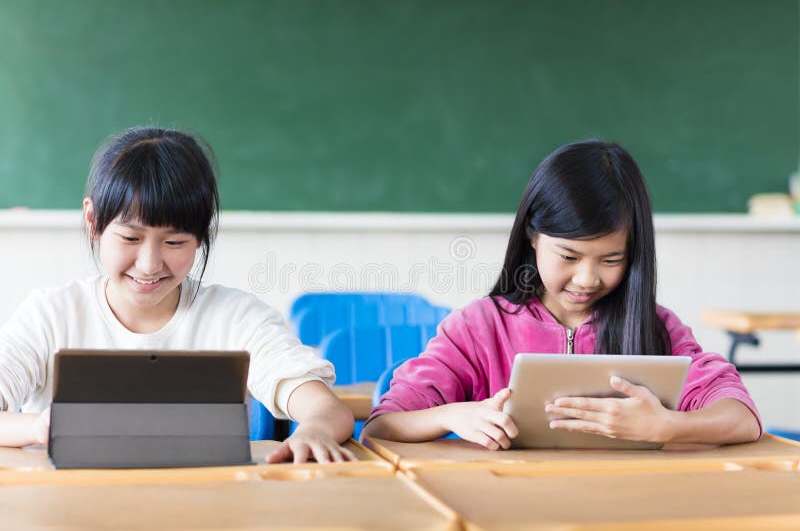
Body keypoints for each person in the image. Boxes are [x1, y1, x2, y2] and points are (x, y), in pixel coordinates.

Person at [363, 139, 761, 449]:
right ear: (532, 237)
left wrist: (668, 425)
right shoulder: (479, 327)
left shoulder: (657, 329)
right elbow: (383, 426)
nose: (587, 279)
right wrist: (452, 416)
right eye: (569, 256)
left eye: (611, 260)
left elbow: (742, 418)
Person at [0, 127, 355, 463]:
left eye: (174, 242)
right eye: (130, 238)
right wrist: (38, 427)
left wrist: (315, 429)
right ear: (93, 221)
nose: (149, 264)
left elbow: (326, 409)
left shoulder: (235, 317)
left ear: (201, 237)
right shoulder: (49, 316)